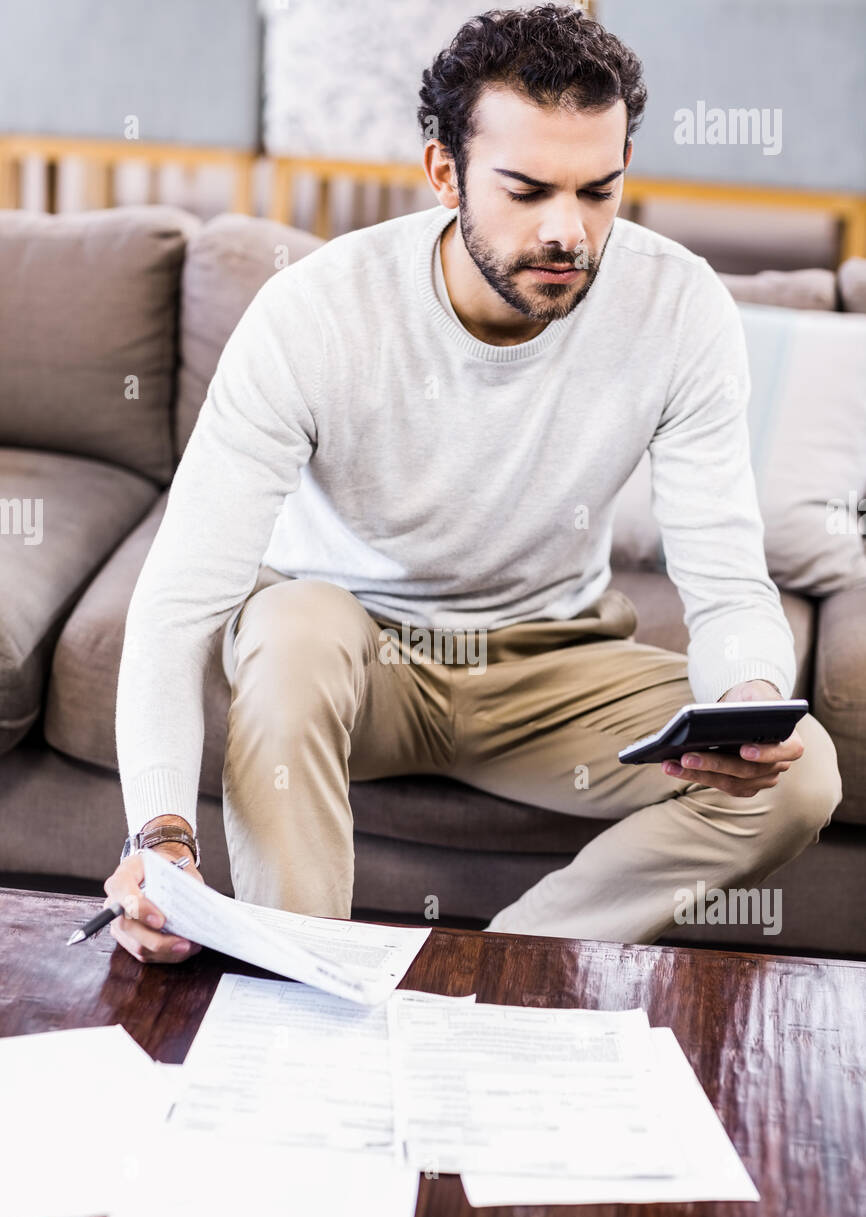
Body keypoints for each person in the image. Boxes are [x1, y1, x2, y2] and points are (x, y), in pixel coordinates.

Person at [104, 4, 842, 963]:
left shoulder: (679, 305)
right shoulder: (315, 312)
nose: (569, 233)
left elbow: (728, 577)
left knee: (805, 776)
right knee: (287, 627)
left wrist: (745, 699)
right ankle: (306, 979)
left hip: (547, 663)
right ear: (444, 173)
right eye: (528, 190)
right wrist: (160, 844)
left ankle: (492, 969)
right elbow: (178, 602)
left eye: (599, 192)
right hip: (354, 653)